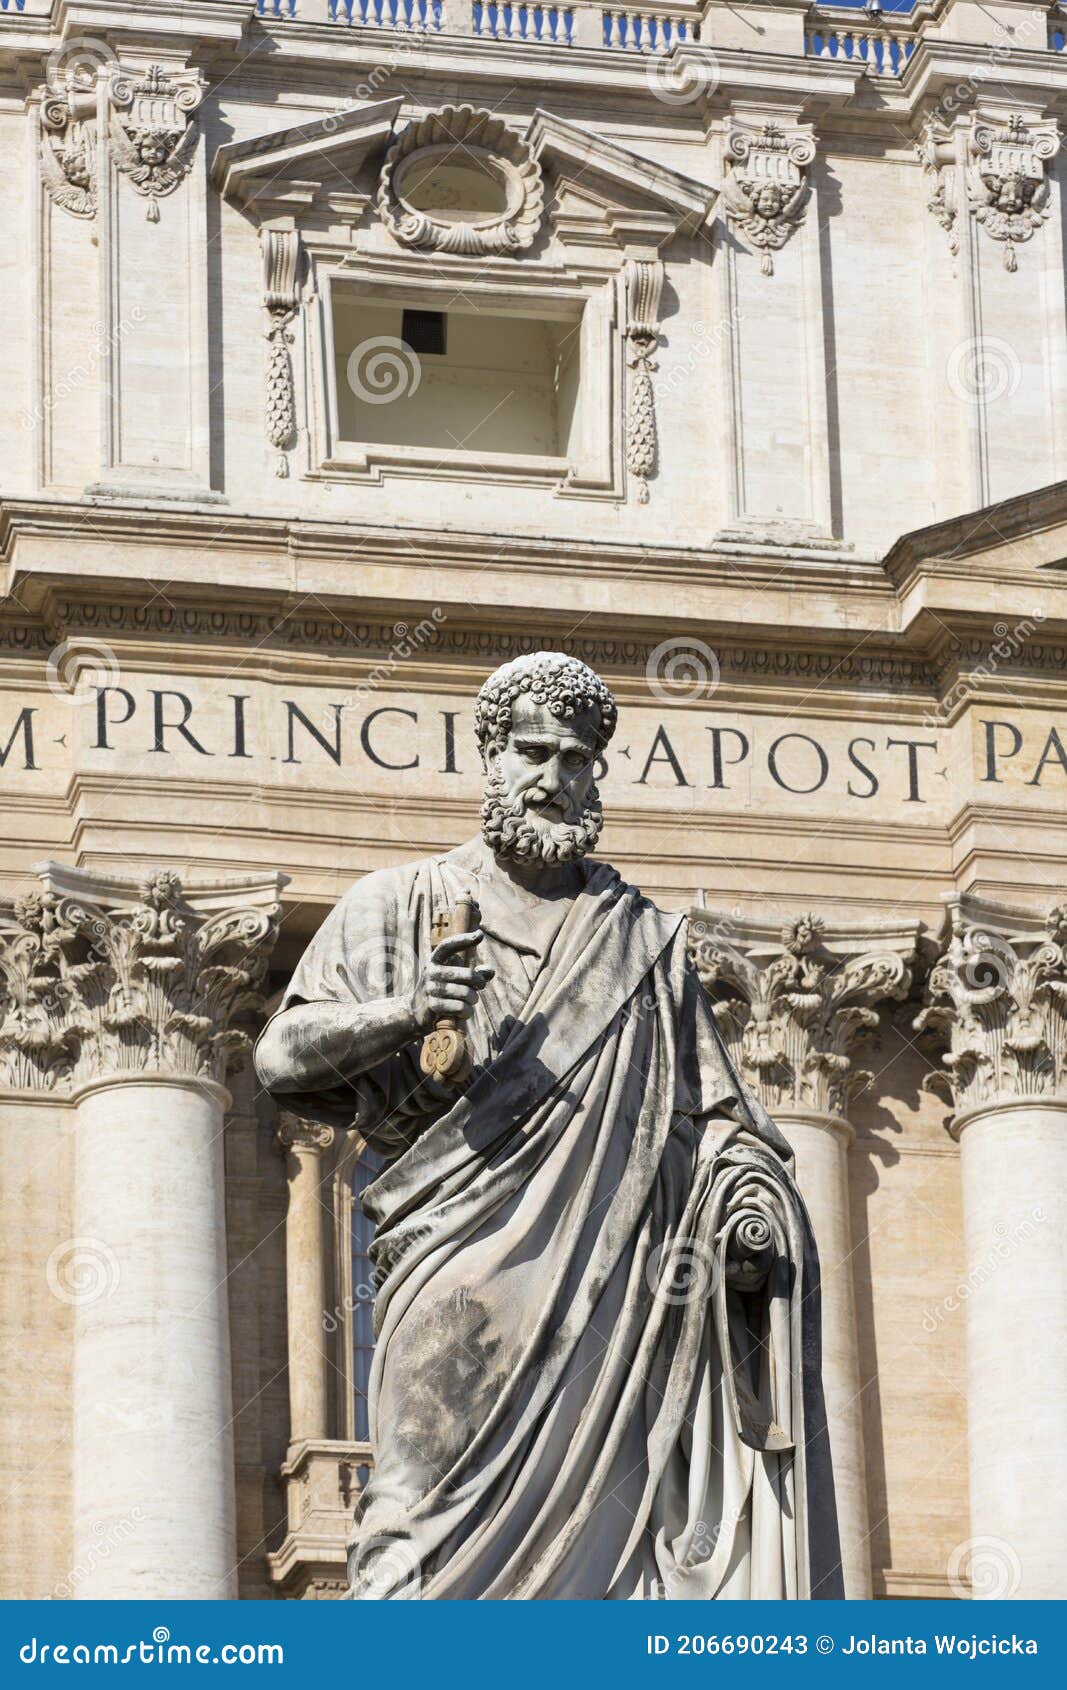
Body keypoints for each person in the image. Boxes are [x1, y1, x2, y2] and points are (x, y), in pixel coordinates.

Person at [255, 652, 840, 1600]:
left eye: (576, 760)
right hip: (456, 1270)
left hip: (615, 1297)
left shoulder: (643, 941)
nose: (553, 778)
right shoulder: (397, 903)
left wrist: (745, 1216)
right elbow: (281, 1059)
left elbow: (723, 1122)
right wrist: (406, 1011)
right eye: (531, 752)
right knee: (411, 1523)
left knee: (609, 1542)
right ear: (487, 756)